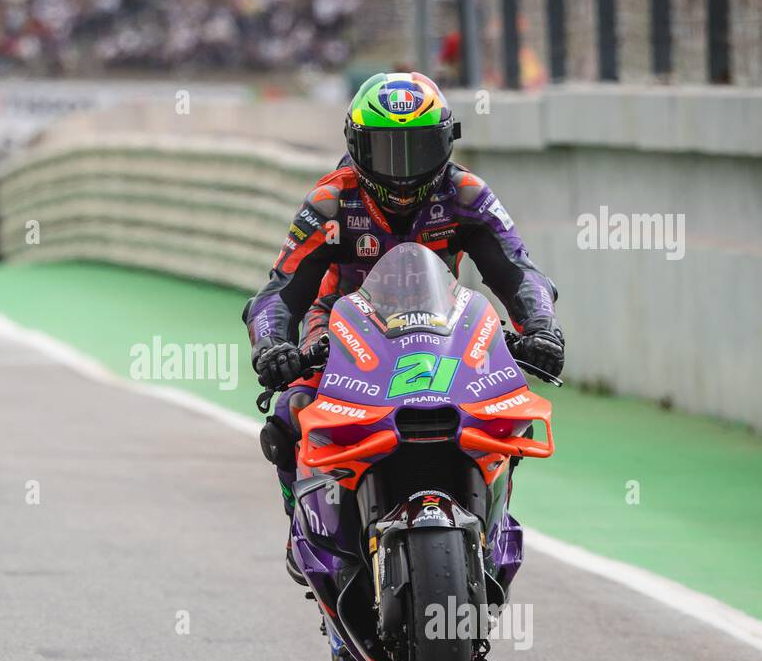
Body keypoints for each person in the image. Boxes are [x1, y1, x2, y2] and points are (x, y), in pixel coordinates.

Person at [242, 72, 564, 581]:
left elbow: (518, 271)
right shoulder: (330, 202)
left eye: (417, 150)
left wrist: (542, 327)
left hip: (445, 327)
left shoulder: (467, 194)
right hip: (342, 332)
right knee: (290, 413)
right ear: (355, 146)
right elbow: (279, 292)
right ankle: (305, 530)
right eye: (388, 151)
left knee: (505, 413)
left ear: (446, 141)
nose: (404, 171)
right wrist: (272, 347)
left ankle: (491, 524)